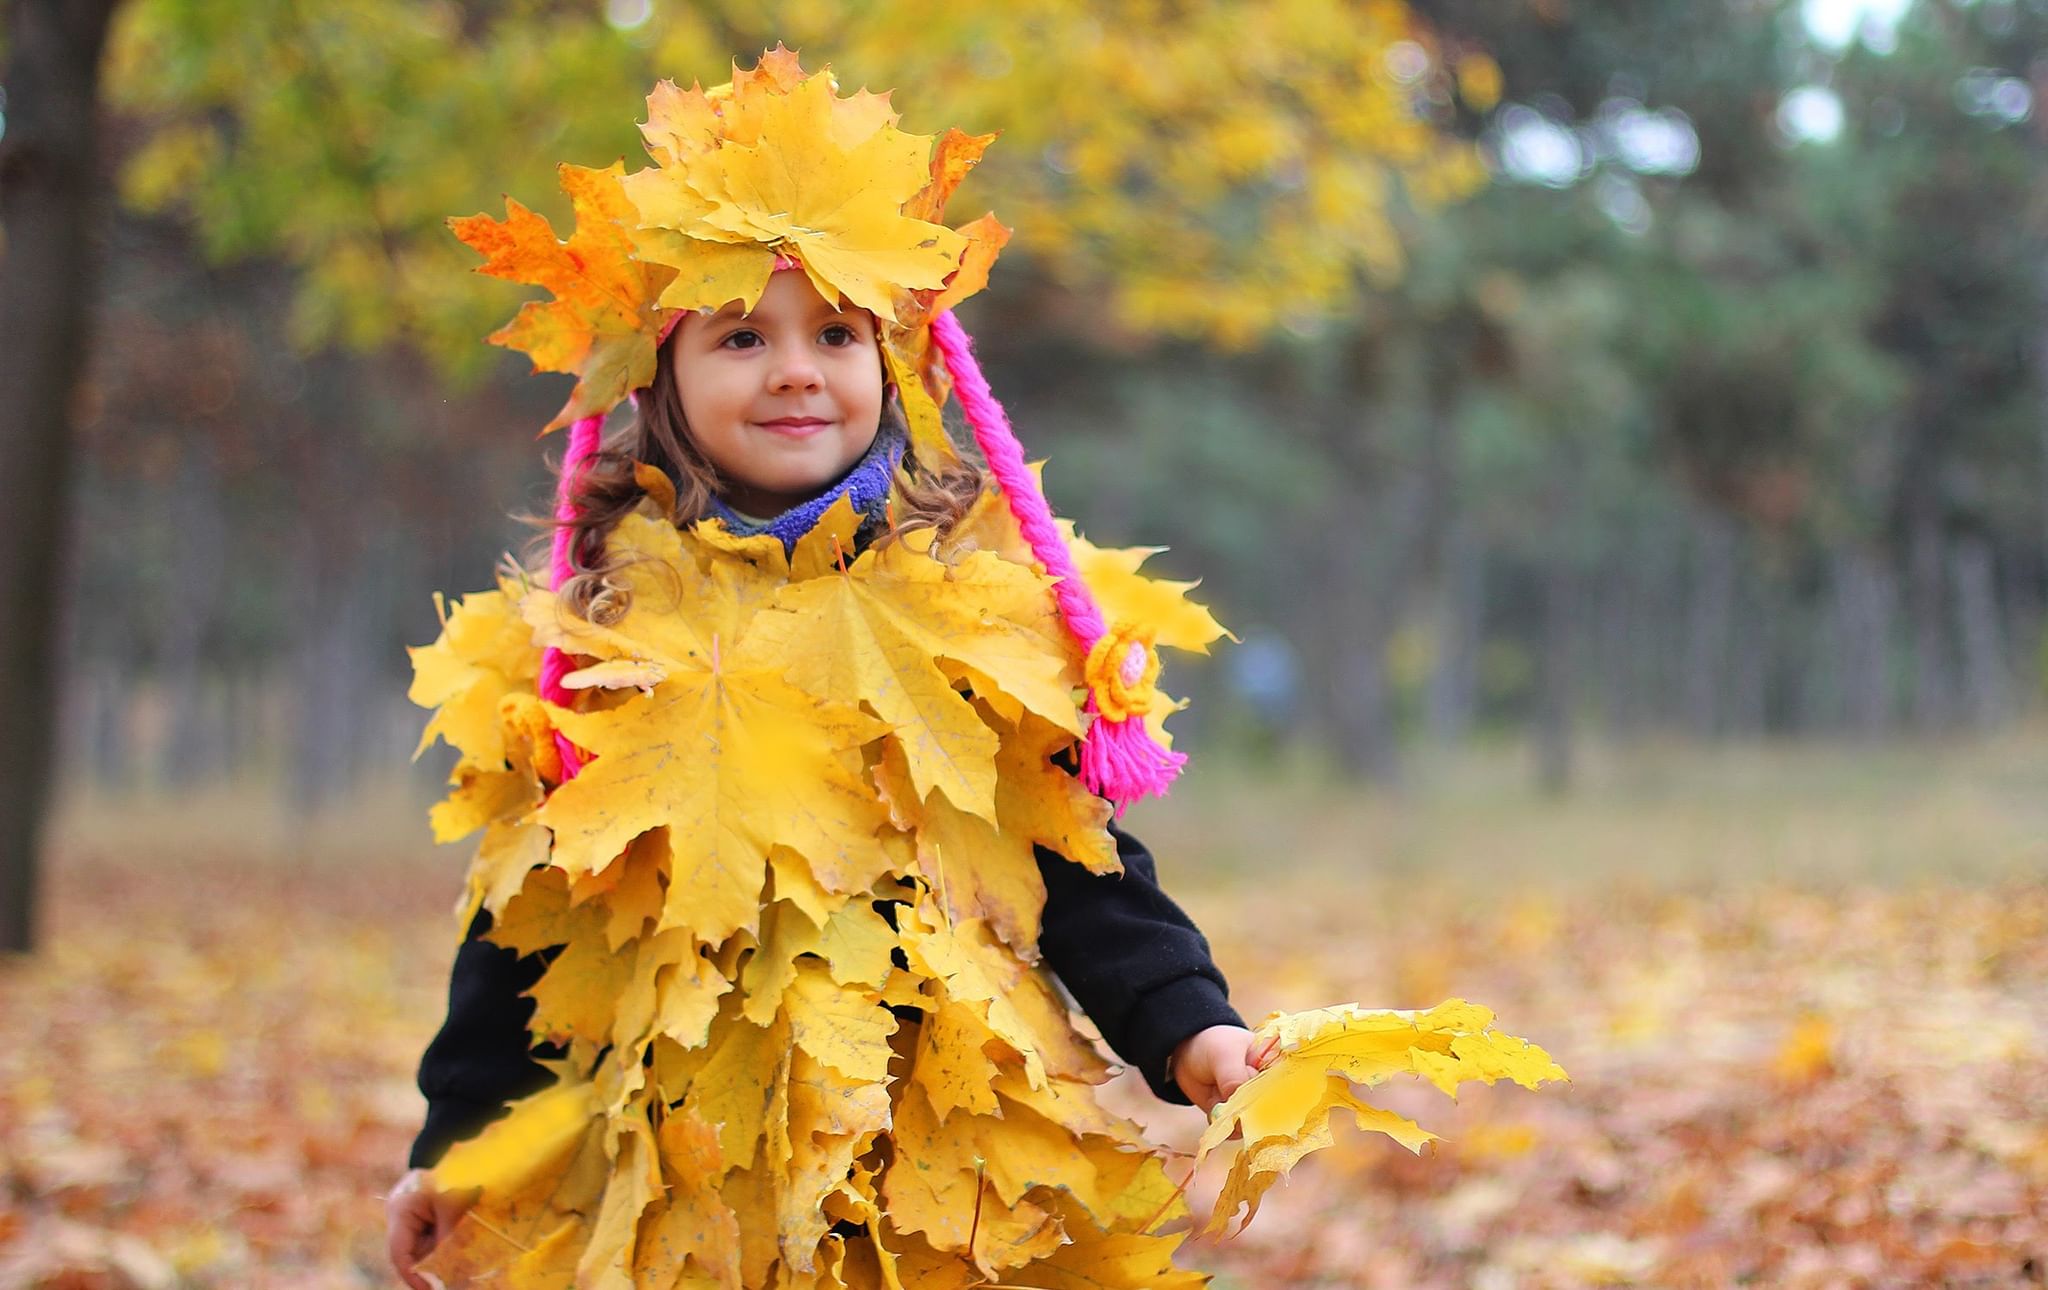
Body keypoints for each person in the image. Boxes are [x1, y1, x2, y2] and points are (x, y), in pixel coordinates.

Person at [386, 48, 1267, 1288]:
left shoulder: (973, 617)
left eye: (837, 333)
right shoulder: (596, 637)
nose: (796, 368)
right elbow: (524, 942)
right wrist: (458, 1148)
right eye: (741, 334)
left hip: (940, 1162)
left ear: (893, 363)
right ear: (660, 377)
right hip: (694, 1170)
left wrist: (1192, 1029)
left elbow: (1083, 874)